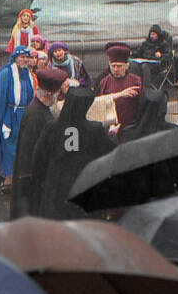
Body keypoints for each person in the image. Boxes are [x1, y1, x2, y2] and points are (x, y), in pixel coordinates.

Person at [28, 86, 116, 221]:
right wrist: (112, 134)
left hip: (55, 187)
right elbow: (108, 152)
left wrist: (39, 181)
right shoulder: (94, 129)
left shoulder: (52, 127)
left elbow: (38, 157)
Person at [9, 66, 69, 218]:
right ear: (50, 94)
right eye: (58, 92)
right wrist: (27, 179)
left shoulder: (40, 108)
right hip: (33, 180)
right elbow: (28, 150)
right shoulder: (36, 115)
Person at [0, 46, 35, 195]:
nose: (24, 60)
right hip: (11, 114)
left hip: (25, 113)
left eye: (27, 57)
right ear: (15, 58)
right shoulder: (6, 73)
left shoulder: (28, 74)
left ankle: (22, 175)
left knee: (25, 145)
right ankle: (9, 177)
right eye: (22, 57)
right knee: (9, 145)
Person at [94, 42, 142, 140]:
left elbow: (142, 103)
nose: (116, 69)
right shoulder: (104, 81)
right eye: (113, 65)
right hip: (109, 126)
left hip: (130, 128)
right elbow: (97, 104)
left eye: (119, 66)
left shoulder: (136, 80)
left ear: (127, 66)